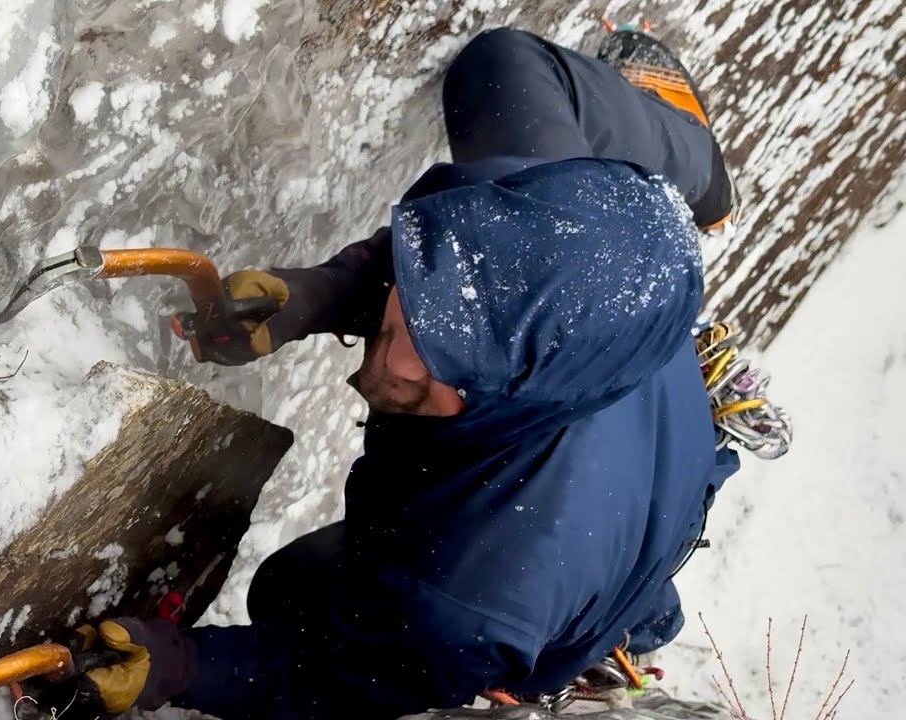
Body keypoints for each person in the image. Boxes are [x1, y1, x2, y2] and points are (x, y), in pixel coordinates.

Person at [58, 25, 773, 720]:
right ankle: (698, 173)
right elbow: (442, 255)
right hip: (640, 432)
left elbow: (326, 683)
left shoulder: (465, 601)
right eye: (413, 316)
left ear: (512, 393)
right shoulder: (538, 238)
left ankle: (617, 624)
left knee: (291, 596)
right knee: (501, 65)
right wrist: (316, 296)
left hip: (583, 538)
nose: (392, 361)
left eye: (444, 368)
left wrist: (182, 667)